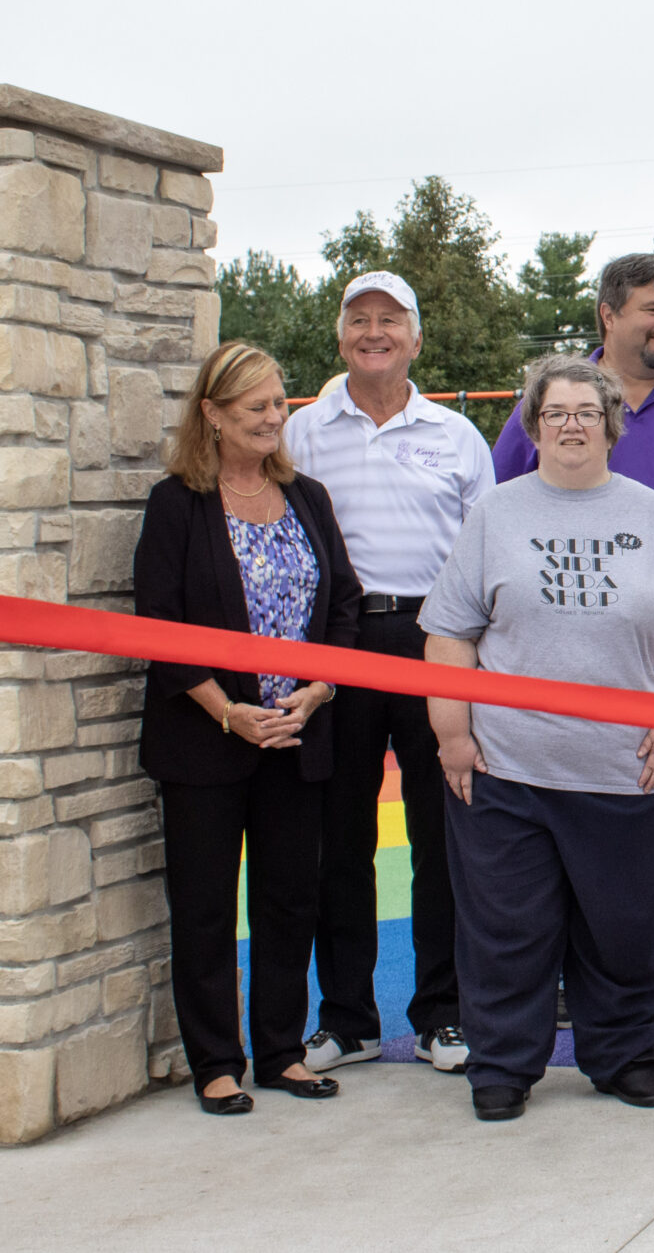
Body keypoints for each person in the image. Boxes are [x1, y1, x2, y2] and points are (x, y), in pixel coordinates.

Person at [422, 354, 654, 1122]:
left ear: (612, 424)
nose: (573, 425)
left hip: (629, 770)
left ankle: (622, 1053)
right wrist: (452, 733)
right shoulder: (496, 513)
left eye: (588, 411)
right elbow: (450, 630)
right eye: (557, 413)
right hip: (510, 765)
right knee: (507, 928)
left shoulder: (653, 514)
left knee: (622, 929)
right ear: (534, 424)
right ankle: (503, 1064)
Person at [493, 254, 654, 1023]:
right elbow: (503, 505)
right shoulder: (552, 404)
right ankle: (578, 973)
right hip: (576, 656)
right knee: (583, 817)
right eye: (651, 308)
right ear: (607, 315)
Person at [136, 342, 363, 1115]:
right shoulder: (177, 503)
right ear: (212, 415)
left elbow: (343, 607)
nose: (273, 417)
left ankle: (279, 1050)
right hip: (206, 741)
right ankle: (216, 1062)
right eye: (255, 407)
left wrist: (319, 688)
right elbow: (159, 623)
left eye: (278, 403)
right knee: (204, 904)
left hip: (297, 737)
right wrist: (228, 711)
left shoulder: (309, 497)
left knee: (289, 899)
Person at [284, 270, 494, 1076]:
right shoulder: (303, 433)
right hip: (337, 642)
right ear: (340, 336)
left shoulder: (456, 436)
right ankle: (347, 1018)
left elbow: (485, 550)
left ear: (415, 337)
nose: (375, 332)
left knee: (442, 836)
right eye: (359, 320)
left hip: (437, 641)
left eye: (391, 320)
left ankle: (442, 1013)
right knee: (340, 838)